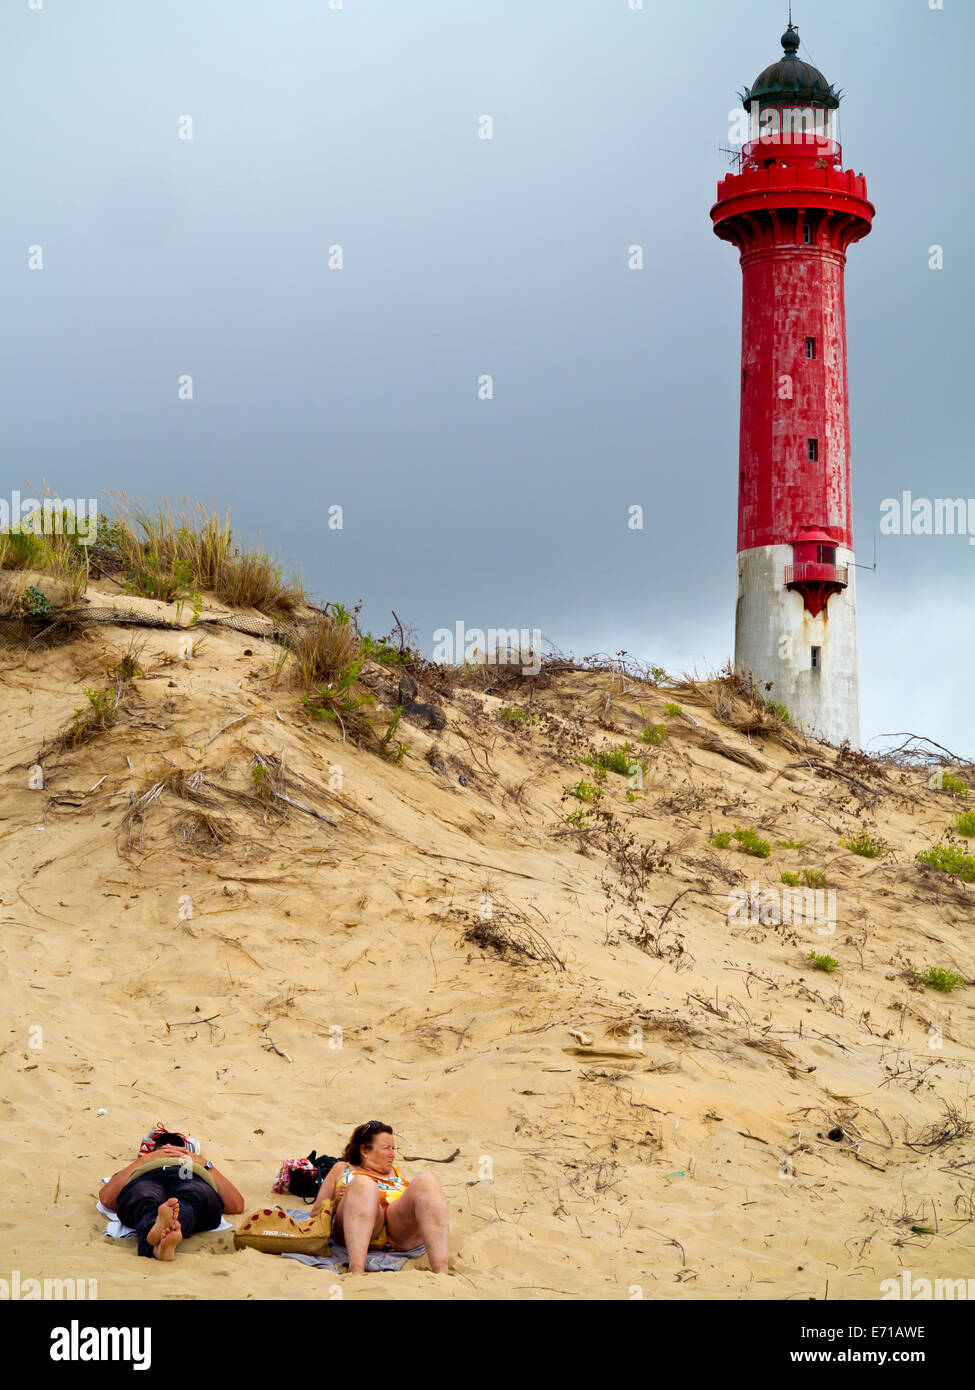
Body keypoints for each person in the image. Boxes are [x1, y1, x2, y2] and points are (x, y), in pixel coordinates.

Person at [309, 1120, 448, 1274]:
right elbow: (315, 1216)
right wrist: (335, 1201)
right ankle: (356, 1270)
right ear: (365, 1151)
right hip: (357, 1227)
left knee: (427, 1181)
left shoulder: (397, 1171)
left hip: (398, 1234)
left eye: (393, 1148)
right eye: (386, 1148)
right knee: (363, 1184)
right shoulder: (342, 1169)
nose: (393, 1155)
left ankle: (441, 1270)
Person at [99, 1128, 245, 1262]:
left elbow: (237, 1205)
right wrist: (145, 1159)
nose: (169, 1149)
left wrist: (203, 1162)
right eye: (164, 1147)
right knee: (154, 1198)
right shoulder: (145, 1162)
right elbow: (107, 1198)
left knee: (168, 1198)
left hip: (188, 1174)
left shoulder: (195, 1161)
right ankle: (168, 1232)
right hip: (152, 1175)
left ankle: (155, 1239)